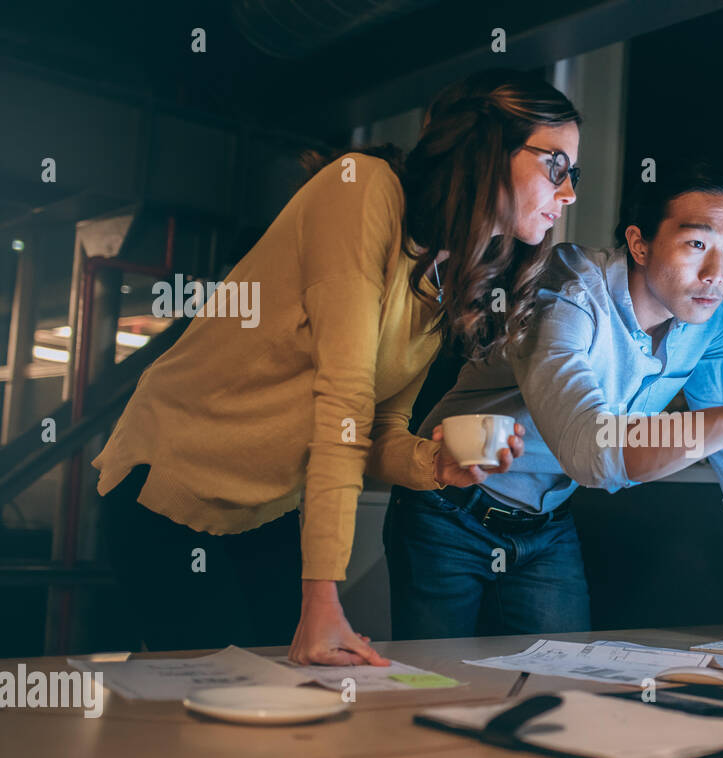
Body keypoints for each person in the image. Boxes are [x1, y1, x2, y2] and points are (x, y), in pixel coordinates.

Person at [93, 69, 581, 664]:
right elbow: (344, 401)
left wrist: (435, 463)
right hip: (169, 486)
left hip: (263, 509)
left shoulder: (444, 273)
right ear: (486, 150)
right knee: (220, 705)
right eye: (555, 165)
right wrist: (322, 597)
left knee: (279, 703)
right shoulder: (363, 190)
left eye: (573, 173)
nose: (570, 192)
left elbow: (374, 429)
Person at [384, 161, 723, 653]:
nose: (716, 274)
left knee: (563, 686)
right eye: (696, 245)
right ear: (640, 244)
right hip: (447, 508)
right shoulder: (566, 291)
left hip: (546, 523)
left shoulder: (707, 320)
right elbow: (592, 450)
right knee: (435, 679)